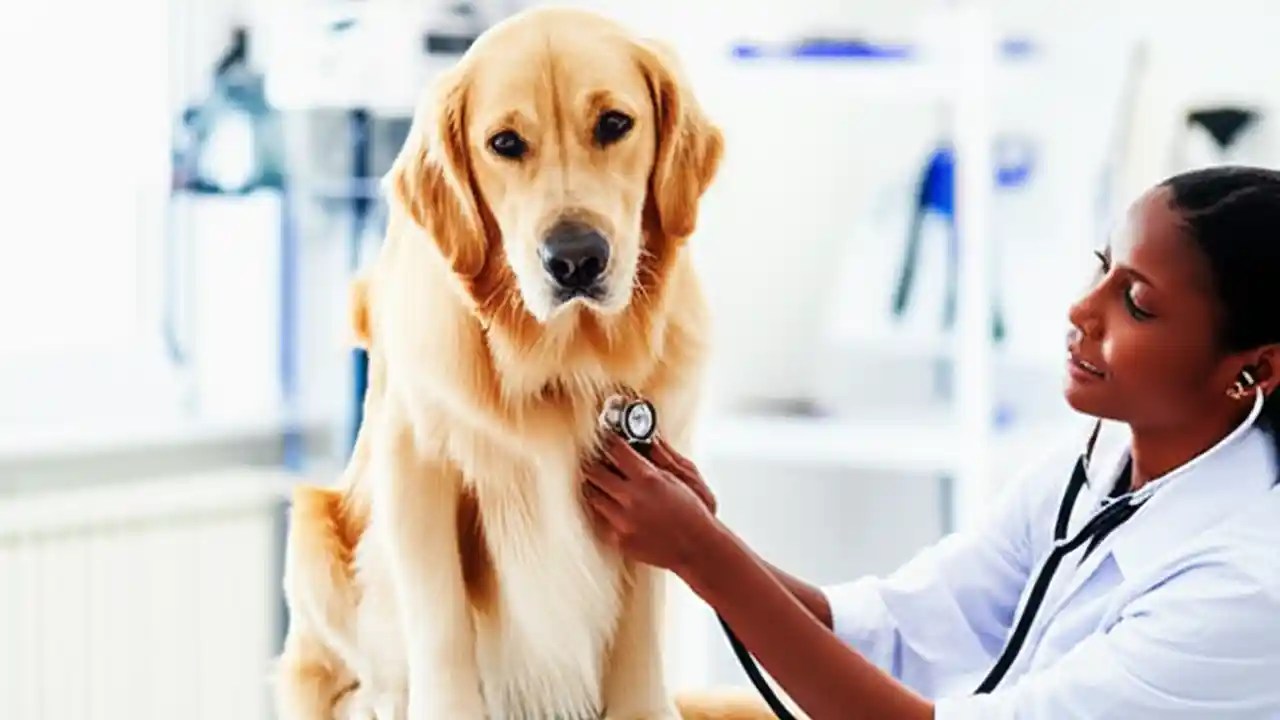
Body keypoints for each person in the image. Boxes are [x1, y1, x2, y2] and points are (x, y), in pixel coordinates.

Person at [581, 165, 1280, 719]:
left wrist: (702, 554)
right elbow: (893, 632)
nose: (1081, 309)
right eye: (1102, 267)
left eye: (1137, 303)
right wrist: (705, 537)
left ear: (1255, 369)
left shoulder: (1247, 592)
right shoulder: (1091, 472)